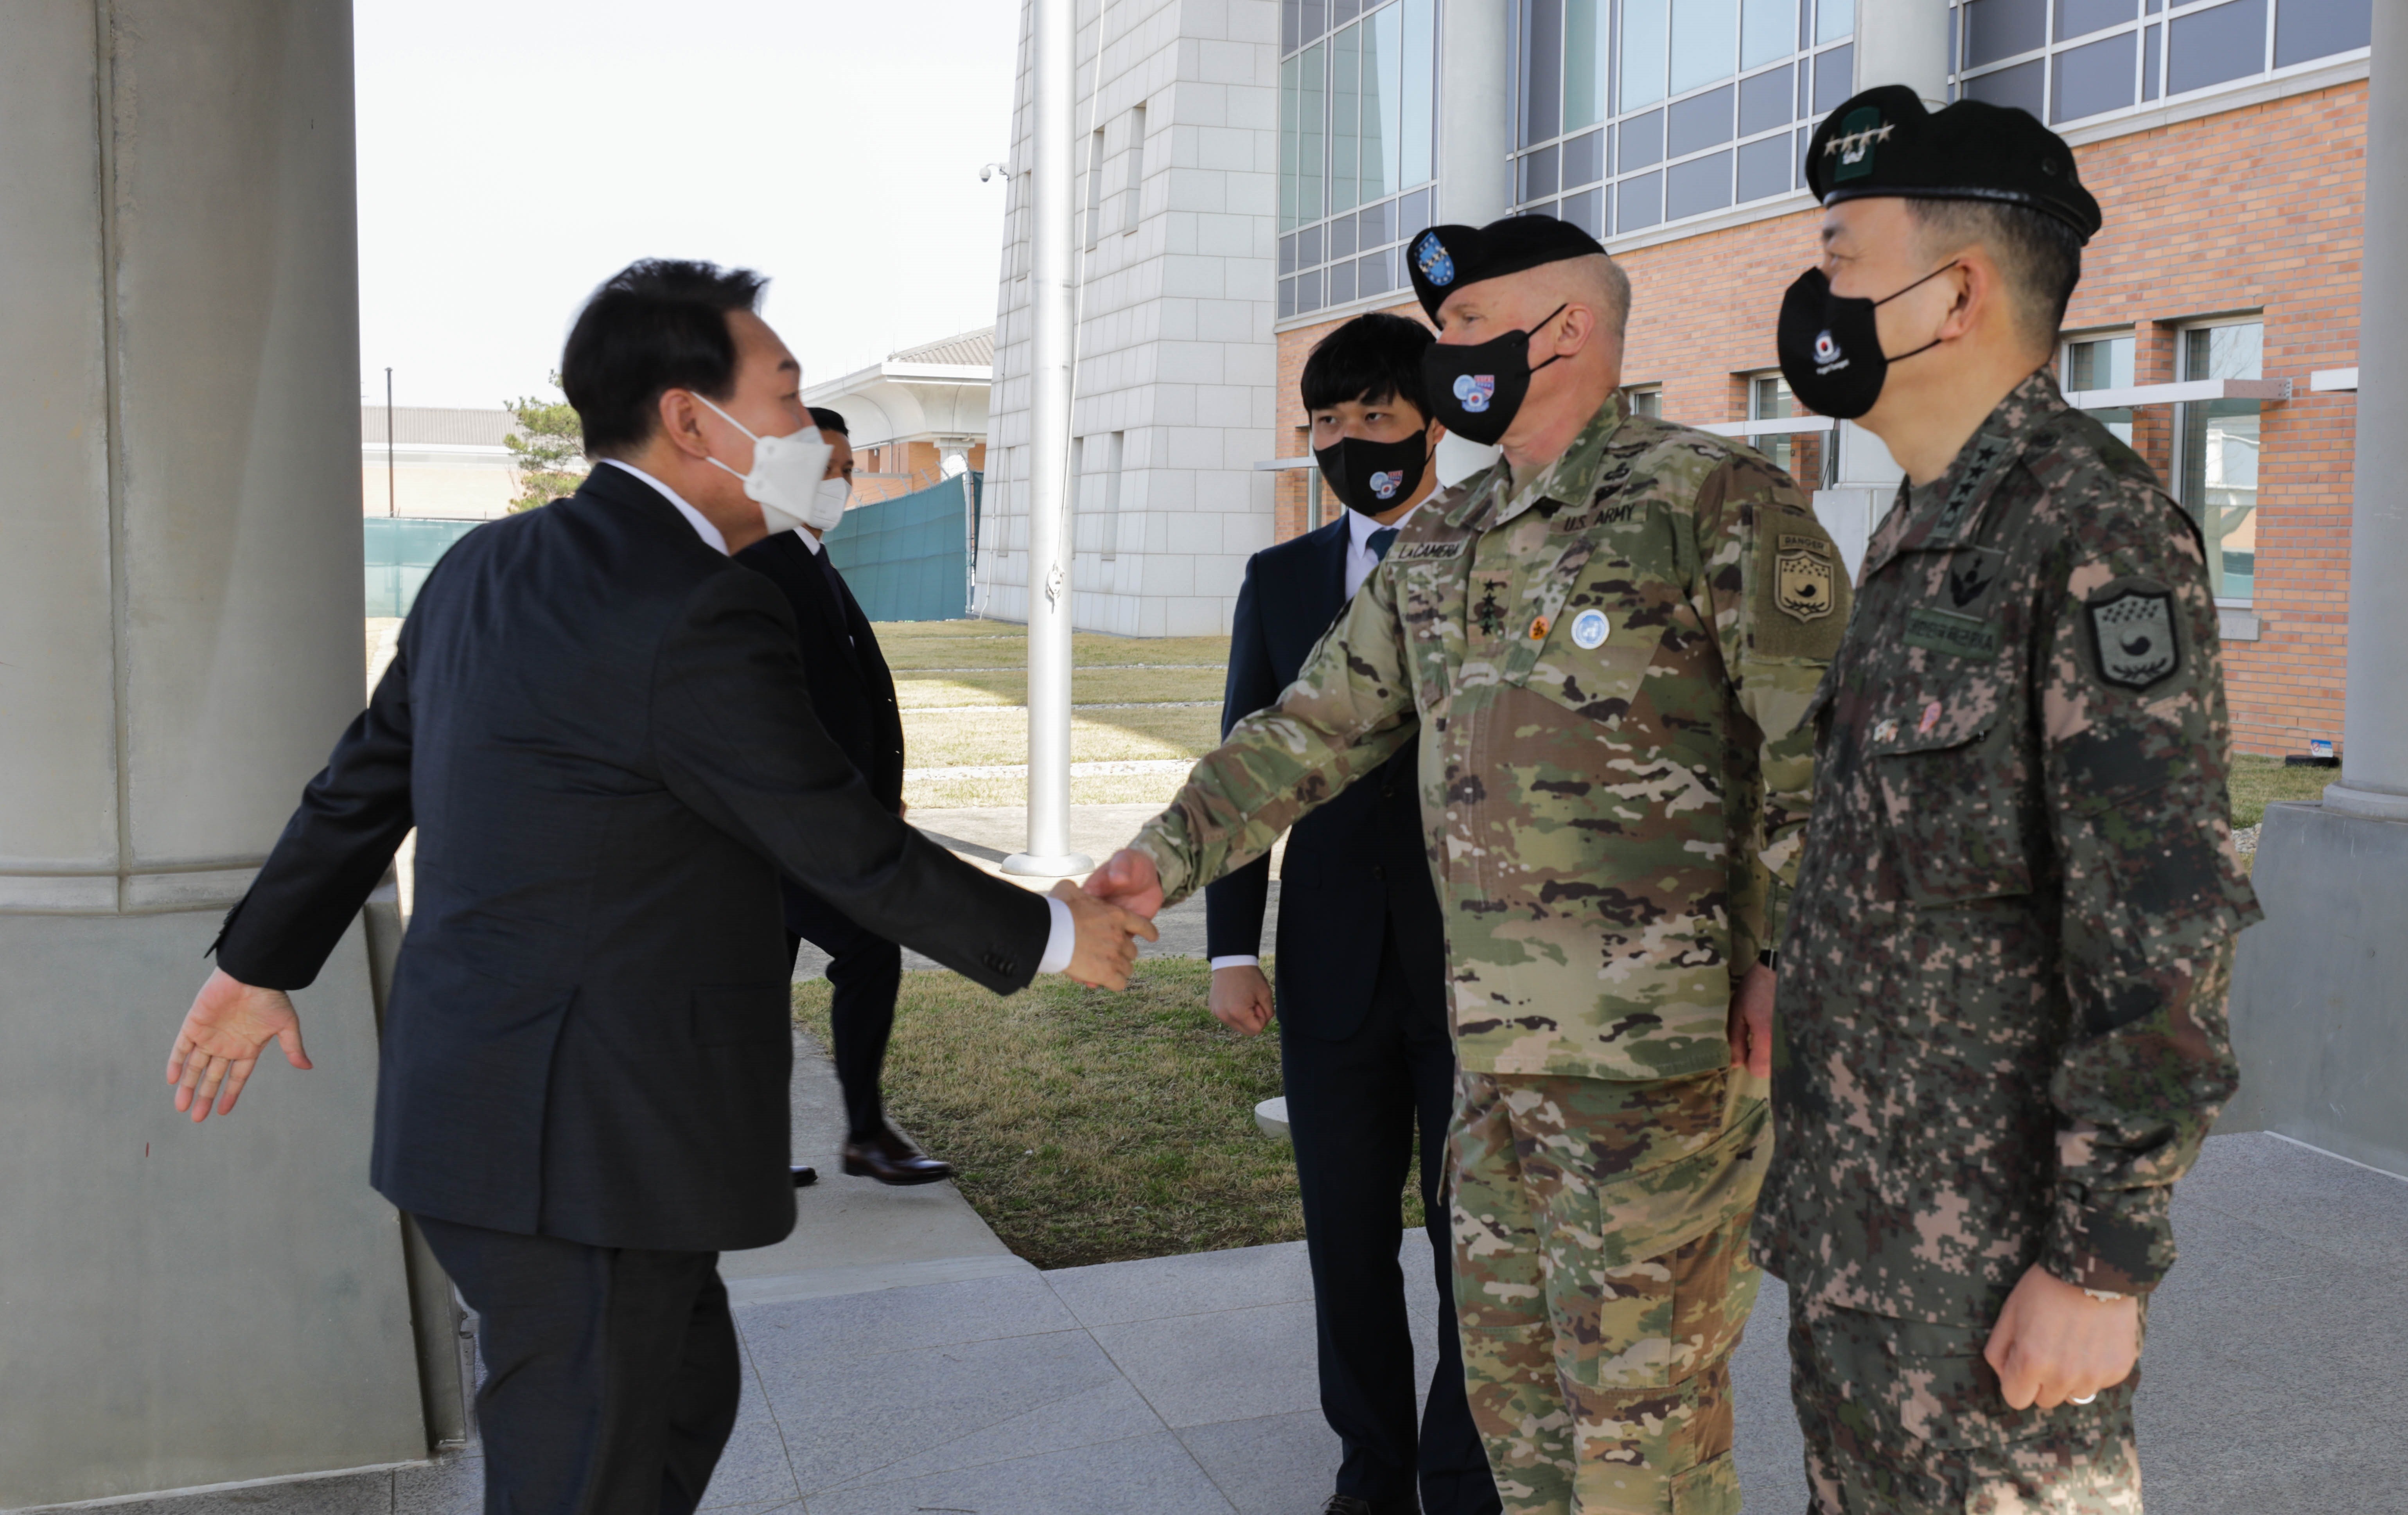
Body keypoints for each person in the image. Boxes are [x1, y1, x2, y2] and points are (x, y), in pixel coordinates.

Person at [160, 260, 1154, 1515]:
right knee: (592, 1465)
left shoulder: (483, 566)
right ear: (693, 419)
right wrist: (1057, 934)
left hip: (493, 1118)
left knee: (678, 1398)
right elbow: (837, 839)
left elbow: (359, 786)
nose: (811, 437)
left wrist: (255, 964)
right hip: (585, 1145)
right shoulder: (697, 606)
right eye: (785, 395)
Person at [1087, 216, 1848, 1515]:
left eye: (1461, 327)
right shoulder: (1445, 538)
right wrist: (1155, 864)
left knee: (1639, 1440)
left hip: (1652, 1071)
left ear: (1565, 329)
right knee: (1517, 1424)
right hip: (1488, 1069)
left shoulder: (1708, 498)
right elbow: (1311, 727)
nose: (1443, 355)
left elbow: (1823, 749)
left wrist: (1789, 958)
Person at [1756, 87, 2263, 1513]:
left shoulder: (2088, 532)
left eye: (1840, 260)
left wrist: (2098, 1262)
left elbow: (2160, 922)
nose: (1814, 298)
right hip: (1866, 1237)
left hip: (1990, 1270)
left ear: (1955, 293)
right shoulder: (1925, 524)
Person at [1205, 312, 1499, 1515]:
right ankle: (1371, 1471)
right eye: (1327, 421)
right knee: (1345, 1239)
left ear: (1429, 423)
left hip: (1478, 967)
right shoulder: (1278, 579)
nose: (1349, 440)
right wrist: (1229, 947)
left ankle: (1462, 1474)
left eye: (1375, 415)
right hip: (1329, 966)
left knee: (1474, 1239)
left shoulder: (1502, 554)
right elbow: (1245, 762)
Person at [734, 407, 947, 1186]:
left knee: (761, 980)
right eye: (824, 467)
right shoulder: (761, 564)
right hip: (787, 829)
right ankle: (861, 1133)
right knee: (867, 949)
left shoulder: (809, 557)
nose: (841, 482)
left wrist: (882, 797)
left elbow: (851, 693)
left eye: (848, 468)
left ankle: (751, 1146)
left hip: (823, 822)